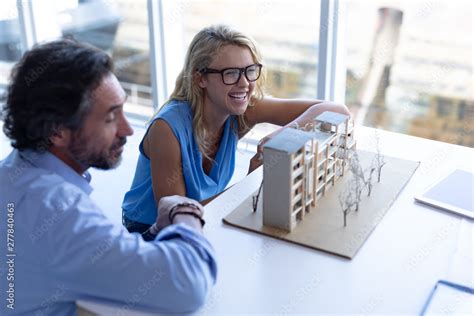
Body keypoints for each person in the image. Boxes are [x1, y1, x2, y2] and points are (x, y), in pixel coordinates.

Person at [0, 39, 216, 315]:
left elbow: (95, 258)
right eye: (111, 117)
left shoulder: (14, 175)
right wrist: (185, 210)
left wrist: (151, 235)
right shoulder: (56, 209)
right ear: (57, 131)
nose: (127, 130)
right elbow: (189, 285)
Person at [122, 24, 351, 233]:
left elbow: (336, 109)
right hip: (150, 230)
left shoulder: (240, 108)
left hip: (203, 219)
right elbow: (178, 219)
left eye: (250, 70)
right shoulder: (166, 129)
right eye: (230, 73)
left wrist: (284, 135)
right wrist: (249, 185)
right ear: (200, 78)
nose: (244, 83)